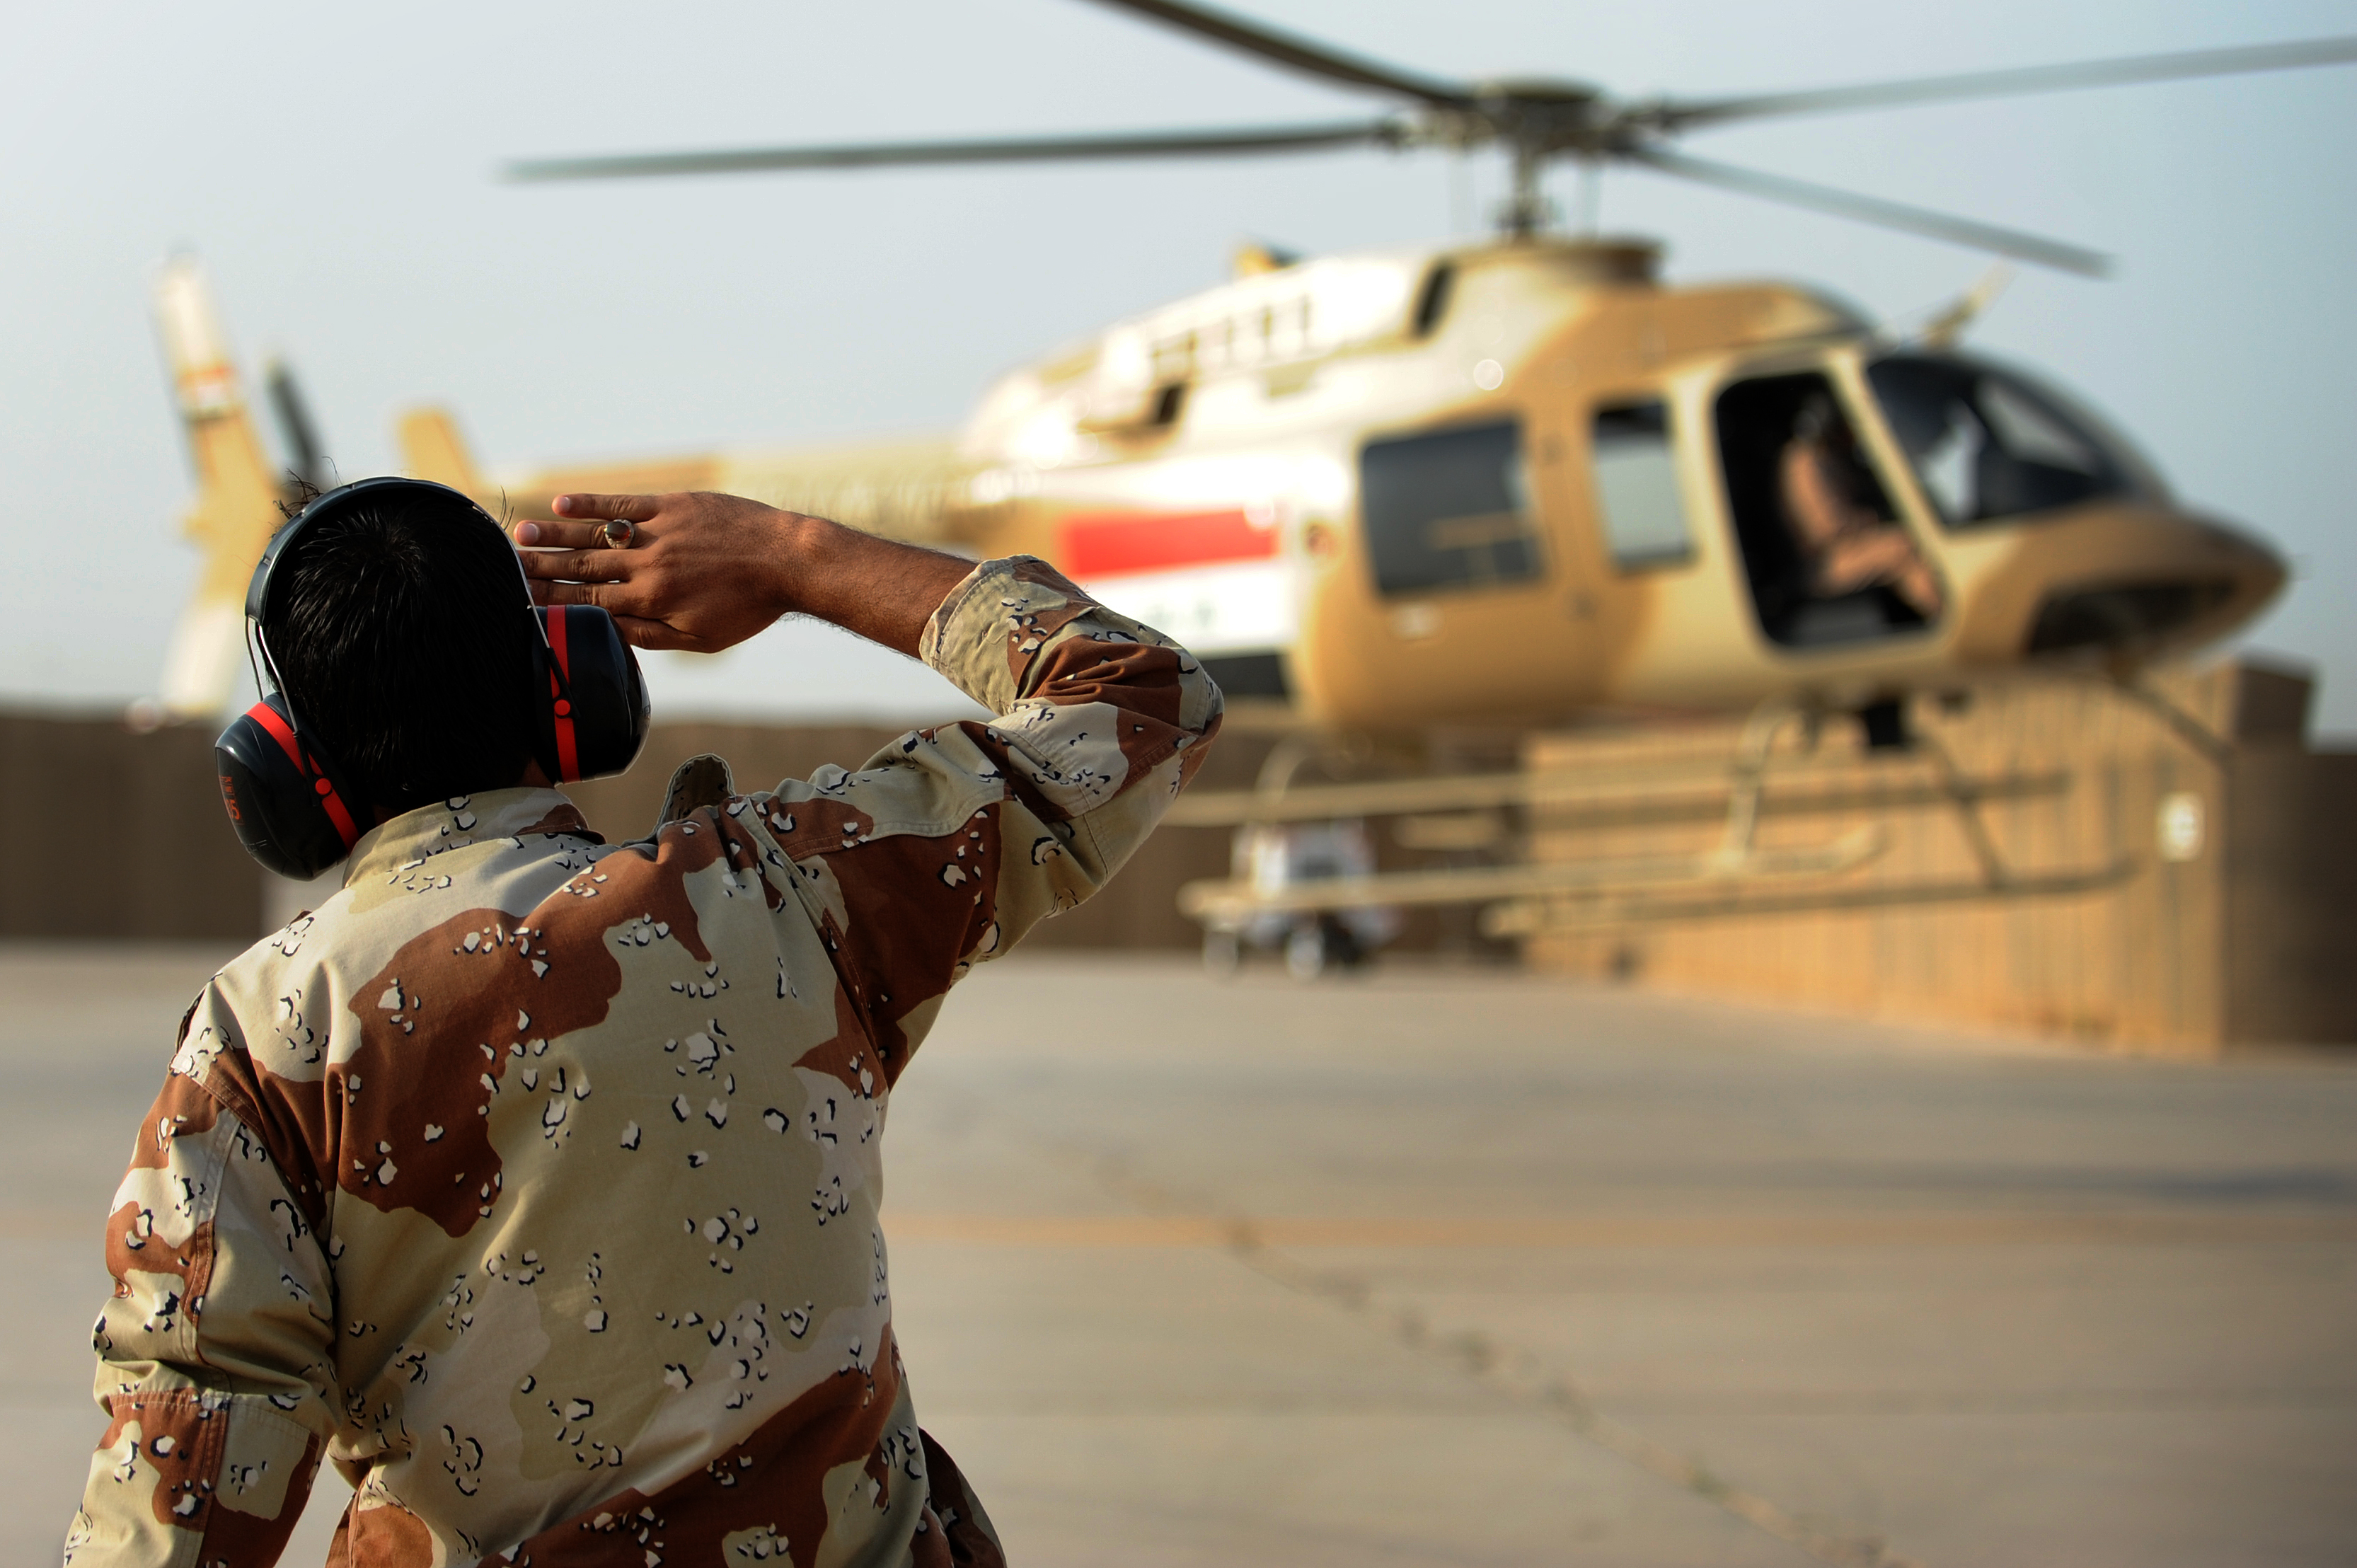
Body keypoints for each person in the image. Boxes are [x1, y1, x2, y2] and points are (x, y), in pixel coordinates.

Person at [63, 483, 1222, 1563]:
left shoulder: (261, 1039)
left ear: (280, 770)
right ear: (569, 684)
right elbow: (1140, 697)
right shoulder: (789, 896)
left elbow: (182, 1483)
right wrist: (794, 558)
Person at [1777, 394, 1942, 618]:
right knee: (1903, 545)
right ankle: (1946, 616)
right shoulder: (1803, 461)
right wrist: (1876, 518)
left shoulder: (1828, 456)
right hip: (1824, 564)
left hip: (1847, 549)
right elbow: (1826, 529)